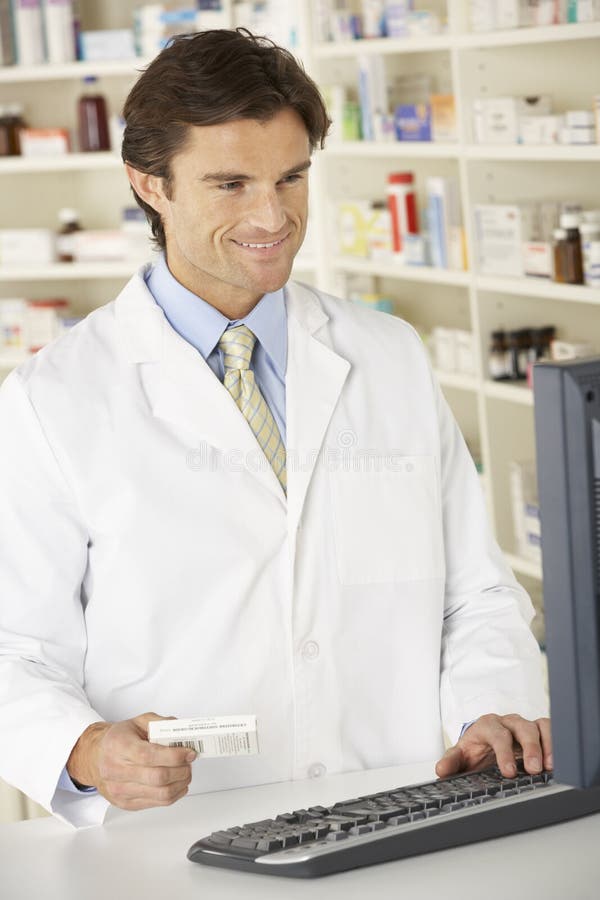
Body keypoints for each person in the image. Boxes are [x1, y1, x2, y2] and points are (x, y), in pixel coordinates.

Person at [0, 29, 550, 829]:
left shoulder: (388, 355)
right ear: (149, 185)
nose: (274, 215)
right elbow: (14, 647)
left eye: (292, 177)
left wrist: (491, 708)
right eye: (231, 184)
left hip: (394, 814)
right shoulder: (54, 398)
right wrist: (84, 751)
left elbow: (477, 593)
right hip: (180, 843)